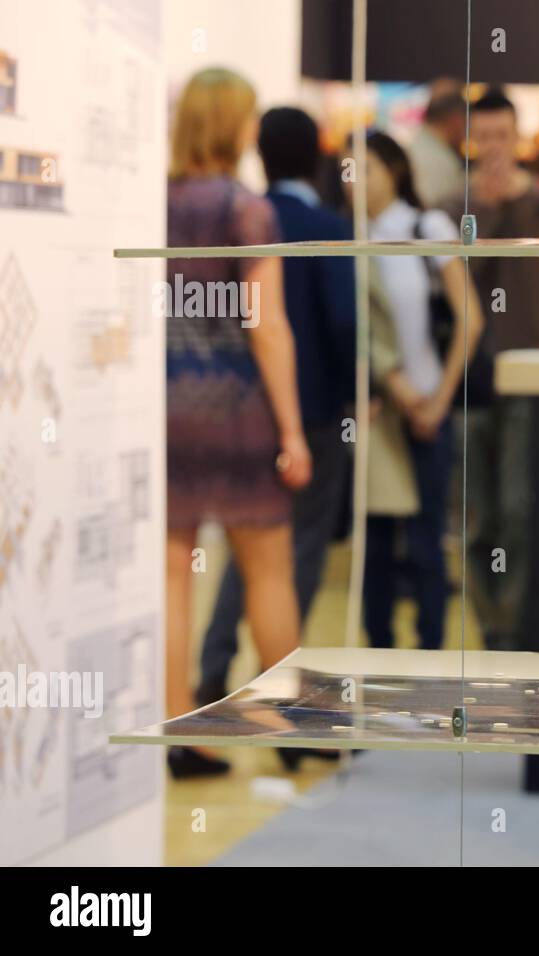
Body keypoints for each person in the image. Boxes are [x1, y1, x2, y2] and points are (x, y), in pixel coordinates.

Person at [164, 69, 311, 778]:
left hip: (165, 409)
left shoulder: (150, 203)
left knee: (171, 576)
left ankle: (182, 735)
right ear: (232, 125)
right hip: (238, 411)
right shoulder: (248, 210)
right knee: (269, 570)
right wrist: (292, 429)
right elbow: (269, 326)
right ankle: (289, 719)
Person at [194, 107, 356, 728]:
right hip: (310, 413)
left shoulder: (238, 221)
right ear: (317, 152)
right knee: (299, 556)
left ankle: (212, 674)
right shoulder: (326, 226)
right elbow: (342, 321)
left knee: (245, 554)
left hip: (241, 411)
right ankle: (285, 698)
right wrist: (349, 394)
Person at [448, 88, 539, 651]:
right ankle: (492, 625)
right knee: (475, 515)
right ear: (471, 140)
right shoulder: (454, 207)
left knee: (518, 508)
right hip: (472, 376)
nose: (495, 148)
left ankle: (518, 618)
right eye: (486, 137)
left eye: (504, 136)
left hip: (532, 370)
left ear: (518, 138)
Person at [353, 131, 484, 650]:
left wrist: (439, 399)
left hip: (431, 403)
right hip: (379, 409)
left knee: (429, 541)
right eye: (347, 171)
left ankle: (430, 657)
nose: (355, 182)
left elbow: (470, 318)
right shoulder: (349, 234)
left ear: (394, 169)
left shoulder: (425, 226)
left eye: (365, 168)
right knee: (377, 545)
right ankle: (378, 656)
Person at [409, 78, 466, 211]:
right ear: (456, 121)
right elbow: (433, 213)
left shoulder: (418, 147)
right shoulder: (438, 160)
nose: (466, 134)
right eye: (465, 124)